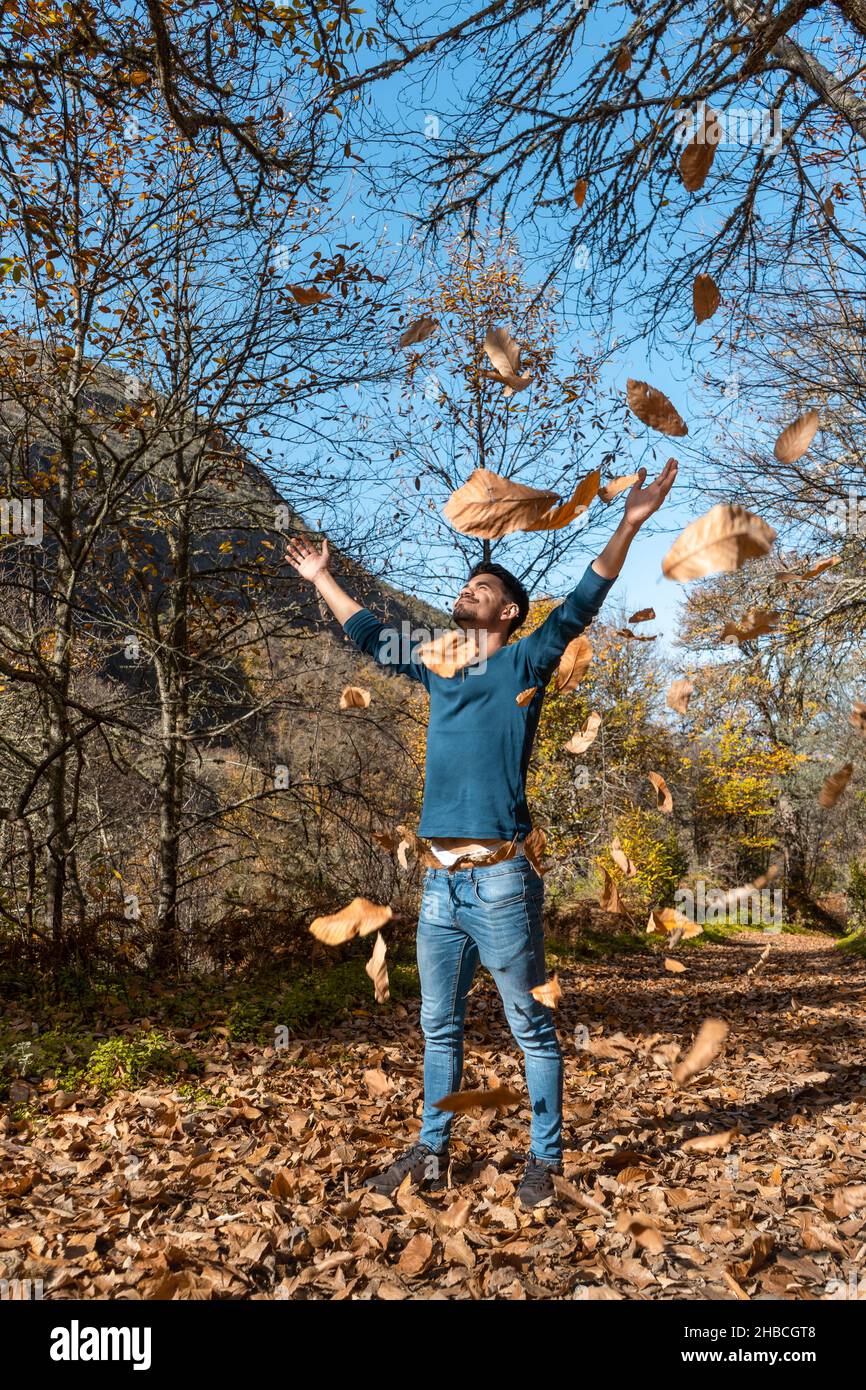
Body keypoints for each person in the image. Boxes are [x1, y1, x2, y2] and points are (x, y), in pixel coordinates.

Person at [285, 459, 677, 1207]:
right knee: (438, 1026)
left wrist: (629, 520)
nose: (467, 592)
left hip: (500, 878)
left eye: (483, 590)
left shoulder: (528, 659)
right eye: (466, 586)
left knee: (529, 1024)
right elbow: (369, 634)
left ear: (506, 616)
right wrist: (321, 580)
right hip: (437, 884)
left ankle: (546, 1160)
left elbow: (586, 599)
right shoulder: (438, 664)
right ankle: (431, 1156)